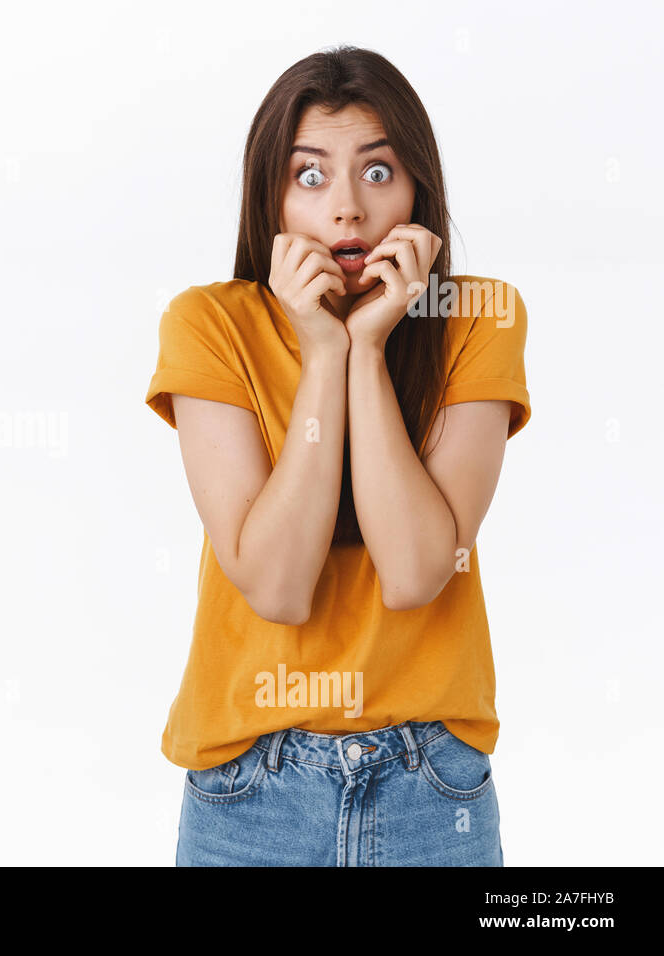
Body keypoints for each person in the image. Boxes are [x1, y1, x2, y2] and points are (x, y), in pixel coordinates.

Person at [143, 45, 531, 866]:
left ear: (420, 187)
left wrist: (367, 350)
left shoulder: (480, 319)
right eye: (310, 176)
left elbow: (418, 569)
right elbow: (277, 587)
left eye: (379, 171)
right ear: (271, 197)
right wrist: (324, 354)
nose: (348, 211)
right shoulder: (210, 325)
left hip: (432, 791)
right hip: (250, 792)